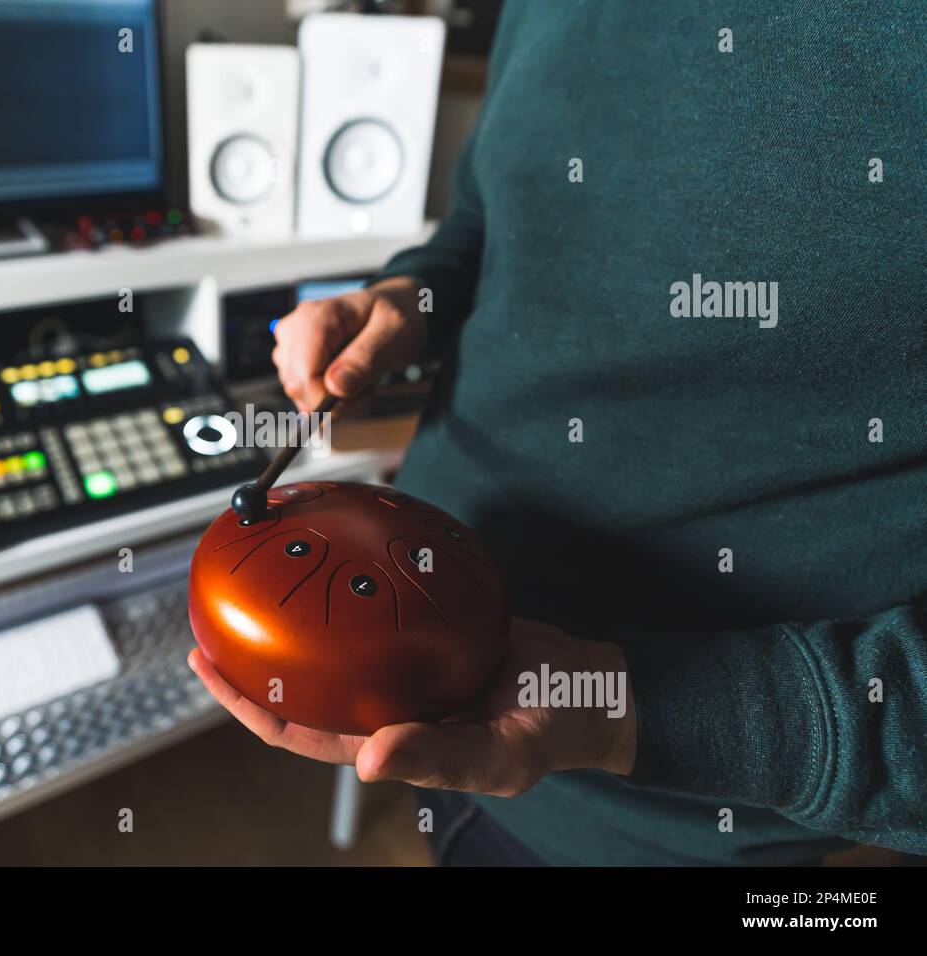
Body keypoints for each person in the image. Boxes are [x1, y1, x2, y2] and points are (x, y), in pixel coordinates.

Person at [188, 0, 926, 865]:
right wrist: (407, 299)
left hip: (677, 822)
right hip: (432, 708)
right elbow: (486, 209)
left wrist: (622, 708)